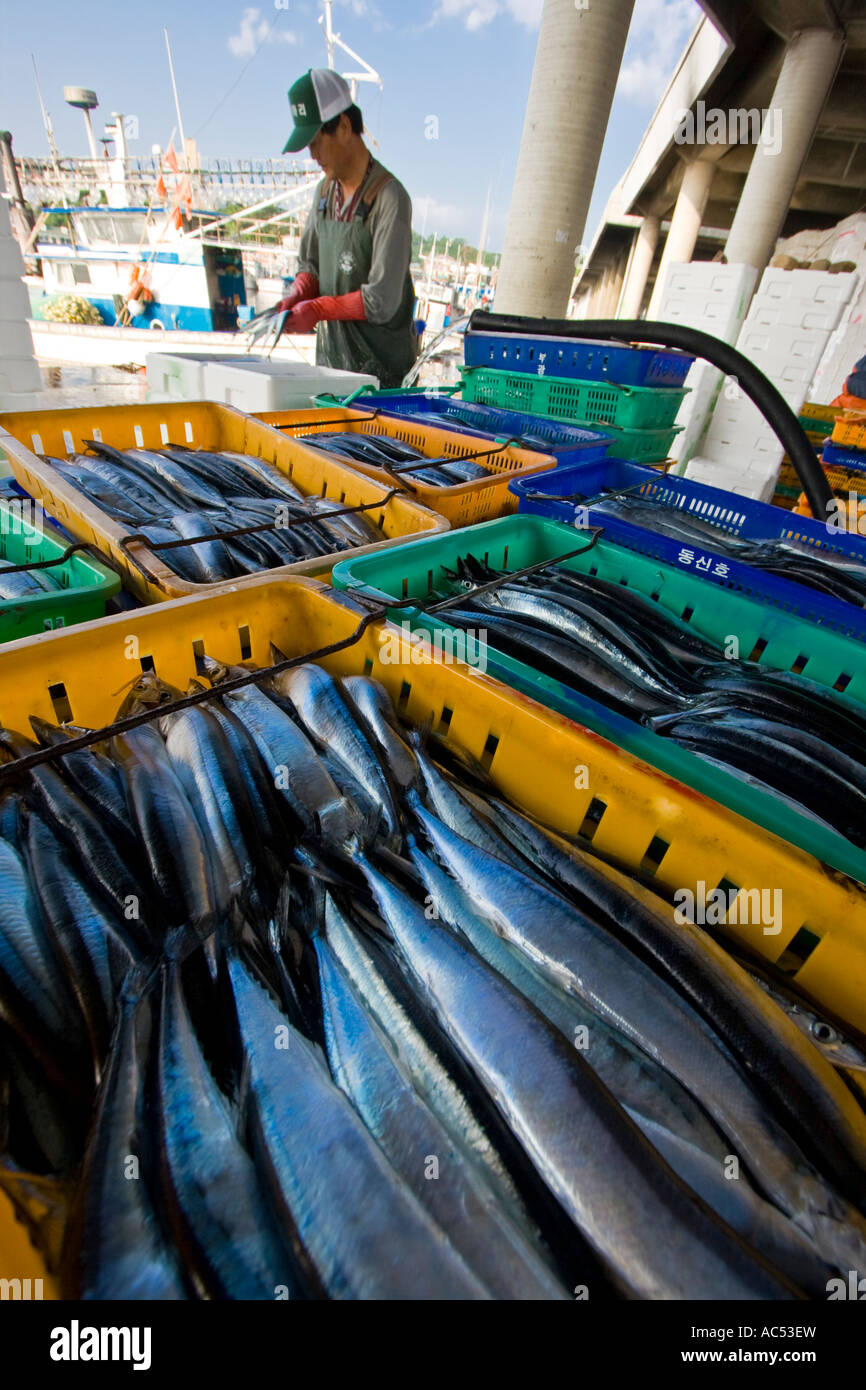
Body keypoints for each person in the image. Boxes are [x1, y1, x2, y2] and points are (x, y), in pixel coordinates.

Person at [277, 68, 418, 388]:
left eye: (315, 142)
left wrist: (317, 308)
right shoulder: (324, 194)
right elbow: (309, 265)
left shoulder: (389, 198)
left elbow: (382, 301)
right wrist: (299, 292)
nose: (312, 155)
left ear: (343, 127)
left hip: (380, 385)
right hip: (330, 374)